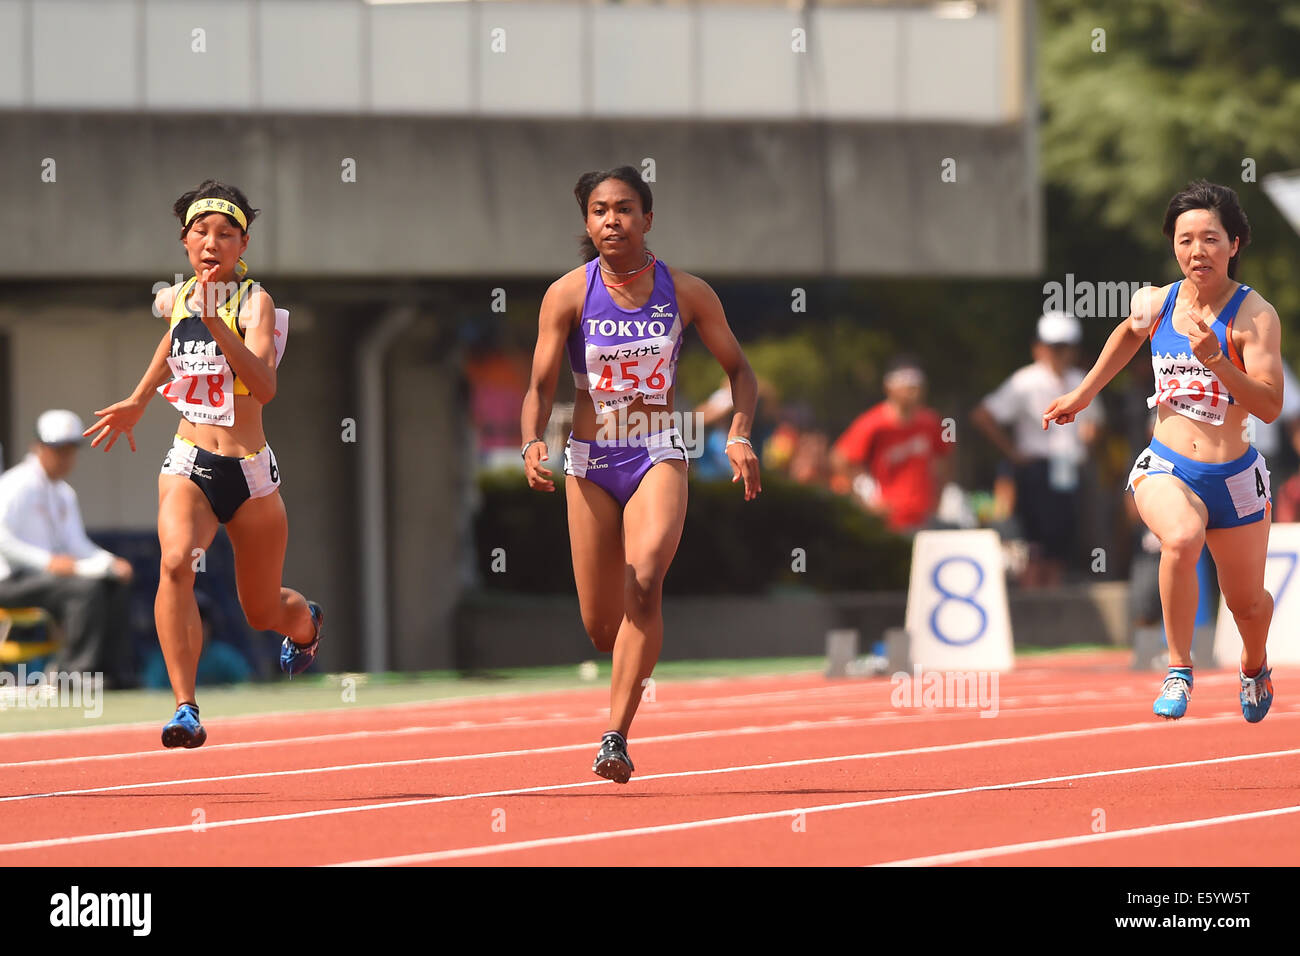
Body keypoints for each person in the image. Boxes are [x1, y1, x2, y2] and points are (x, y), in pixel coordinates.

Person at [521, 166, 761, 783]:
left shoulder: (687, 293)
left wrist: (738, 435)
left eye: (624, 209)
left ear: (647, 219)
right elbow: (540, 385)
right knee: (602, 627)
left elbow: (741, 372)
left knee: (646, 579)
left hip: (659, 445)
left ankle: (616, 736)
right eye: (599, 210)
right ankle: (623, 669)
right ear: (586, 222)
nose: (611, 220)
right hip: (590, 458)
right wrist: (529, 442)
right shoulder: (567, 295)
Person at [84, 180, 323, 748]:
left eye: (226, 234)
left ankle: (307, 622)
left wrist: (218, 322)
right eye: (201, 233)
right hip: (189, 460)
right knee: (174, 565)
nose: (212, 243)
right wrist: (138, 401)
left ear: (244, 245)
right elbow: (172, 344)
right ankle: (185, 707)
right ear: (185, 242)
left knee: (263, 611)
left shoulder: (255, 302)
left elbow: (264, 387)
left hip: (249, 473)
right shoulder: (177, 296)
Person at [1043, 180, 1280, 722]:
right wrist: (1082, 396)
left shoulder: (1255, 316)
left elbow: (1269, 405)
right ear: (1173, 246)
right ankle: (1179, 667)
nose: (1197, 251)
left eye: (1211, 239)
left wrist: (1219, 361)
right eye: (1185, 240)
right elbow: (1129, 333)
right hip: (1169, 465)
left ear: (1235, 244)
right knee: (1180, 537)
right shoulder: (1156, 301)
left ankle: (1253, 664)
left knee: (1248, 605)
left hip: (1236, 475)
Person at [0, 410, 136, 687]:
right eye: (58, 450)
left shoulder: (63, 493)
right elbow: (2, 538)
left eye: (70, 450)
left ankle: (113, 673)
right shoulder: (16, 484)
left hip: (46, 580)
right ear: (38, 448)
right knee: (84, 589)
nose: (65, 457)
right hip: (9, 581)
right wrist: (47, 563)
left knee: (114, 582)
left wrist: (111, 563)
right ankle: (74, 673)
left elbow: (77, 544)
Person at [971, 311, 1104, 586]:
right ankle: (1033, 600)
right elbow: (983, 415)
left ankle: (1051, 601)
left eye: (1065, 347)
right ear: (1040, 347)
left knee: (1061, 543)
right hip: (1036, 472)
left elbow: (1095, 423)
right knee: (1034, 545)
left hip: (1068, 468)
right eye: (1055, 347)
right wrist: (1013, 454)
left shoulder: (1080, 379)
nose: (1060, 354)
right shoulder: (1025, 381)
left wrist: (1088, 438)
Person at [830, 356, 953, 534]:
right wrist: (869, 496)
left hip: (923, 518)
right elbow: (840, 458)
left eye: (918, 386)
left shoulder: (931, 422)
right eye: (908, 387)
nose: (914, 392)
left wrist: (938, 497)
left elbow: (944, 459)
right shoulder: (873, 423)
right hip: (887, 520)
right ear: (890, 387)